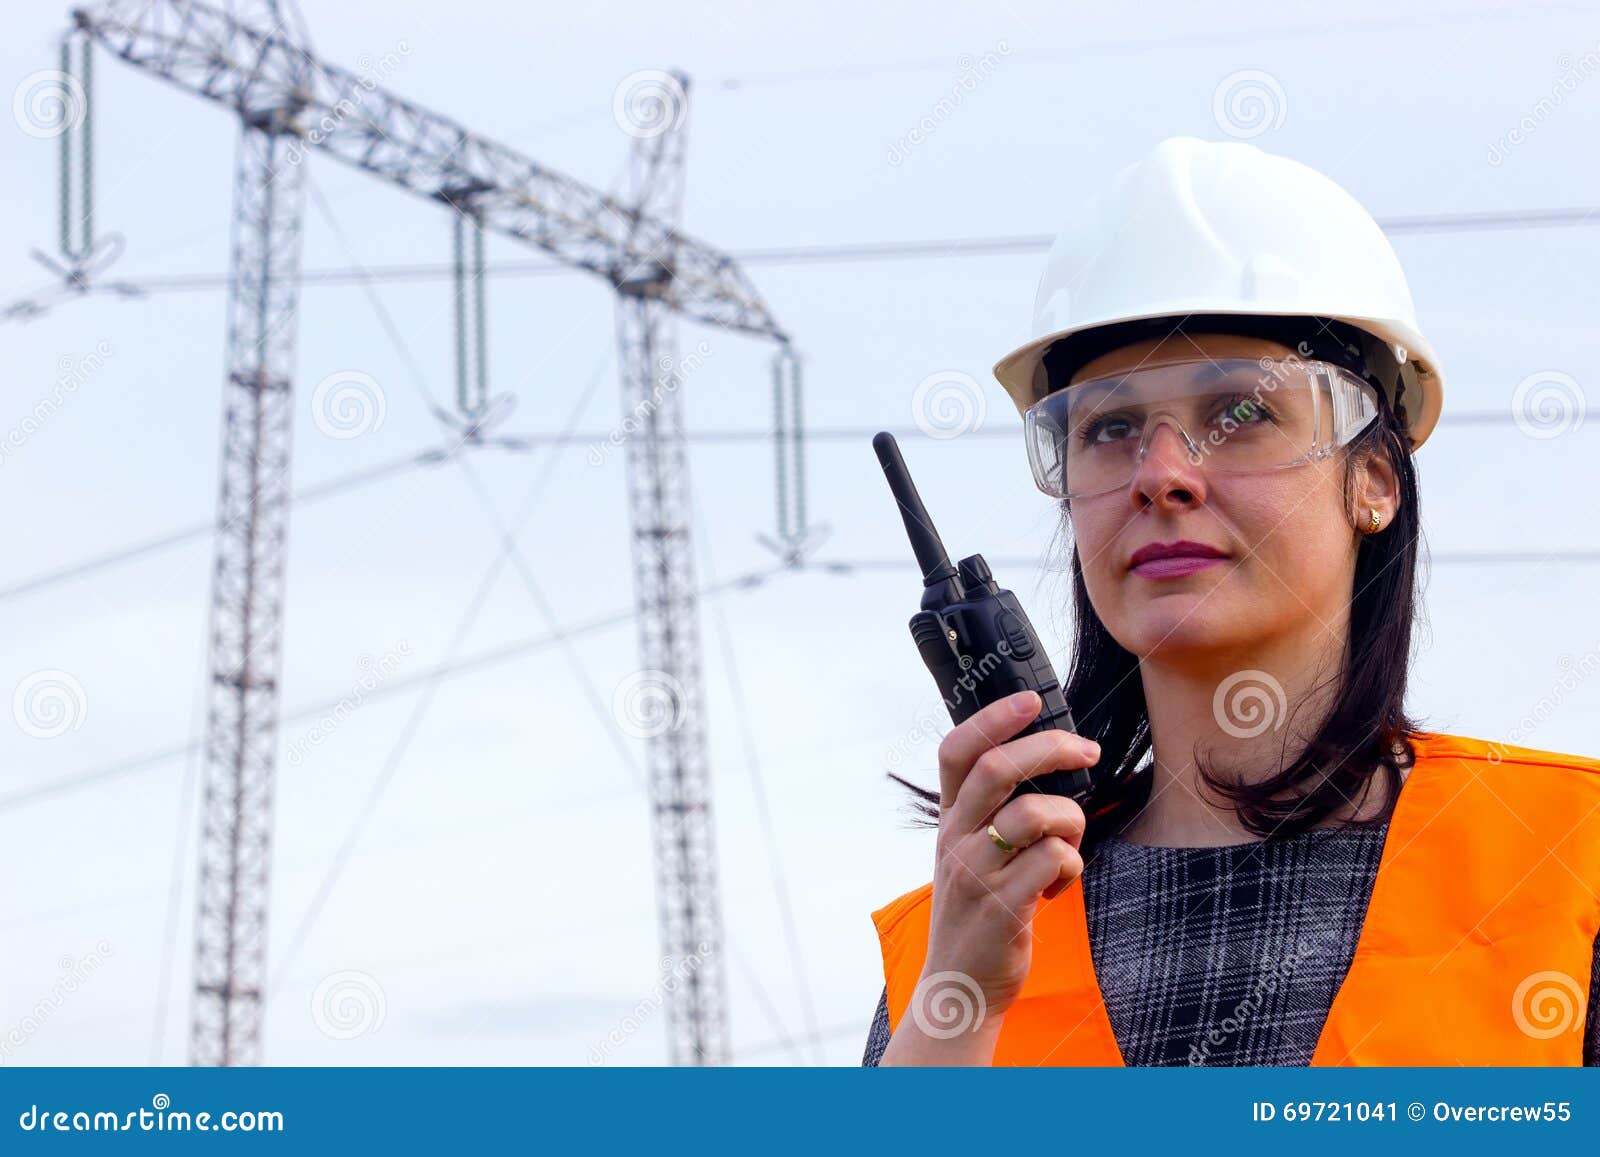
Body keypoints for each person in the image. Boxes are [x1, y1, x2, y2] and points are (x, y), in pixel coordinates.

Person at [862, 136, 1600, 1067]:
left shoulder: (1568, 868)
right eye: (1111, 426)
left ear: (1374, 480)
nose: (1161, 474)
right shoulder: (955, 935)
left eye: (1242, 413)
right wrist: (952, 1011)